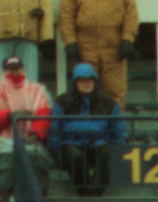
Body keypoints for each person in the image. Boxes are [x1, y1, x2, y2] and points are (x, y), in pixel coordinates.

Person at [59, 0, 140, 106]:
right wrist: (70, 42)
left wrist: (127, 39)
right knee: (84, 93)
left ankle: (116, 130)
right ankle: (87, 129)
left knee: (116, 93)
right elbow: (66, 16)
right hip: (85, 49)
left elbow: (131, 13)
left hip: (114, 48)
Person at [0, 55, 51, 202]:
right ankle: (5, 196)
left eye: (17, 69)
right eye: (10, 69)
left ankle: (41, 196)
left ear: (22, 69)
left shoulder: (37, 90)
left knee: (37, 160)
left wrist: (35, 135)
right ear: (4, 70)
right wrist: (9, 115)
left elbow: (44, 114)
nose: (14, 72)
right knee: (9, 161)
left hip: (31, 142)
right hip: (0, 145)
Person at [49, 62, 125, 197]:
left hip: (98, 144)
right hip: (70, 145)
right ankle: (85, 193)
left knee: (109, 152)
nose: (86, 83)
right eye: (82, 80)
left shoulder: (108, 102)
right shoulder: (62, 102)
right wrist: (56, 154)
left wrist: (118, 150)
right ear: (75, 83)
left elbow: (119, 132)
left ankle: (93, 193)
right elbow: (54, 130)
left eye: (89, 80)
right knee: (75, 157)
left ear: (95, 81)